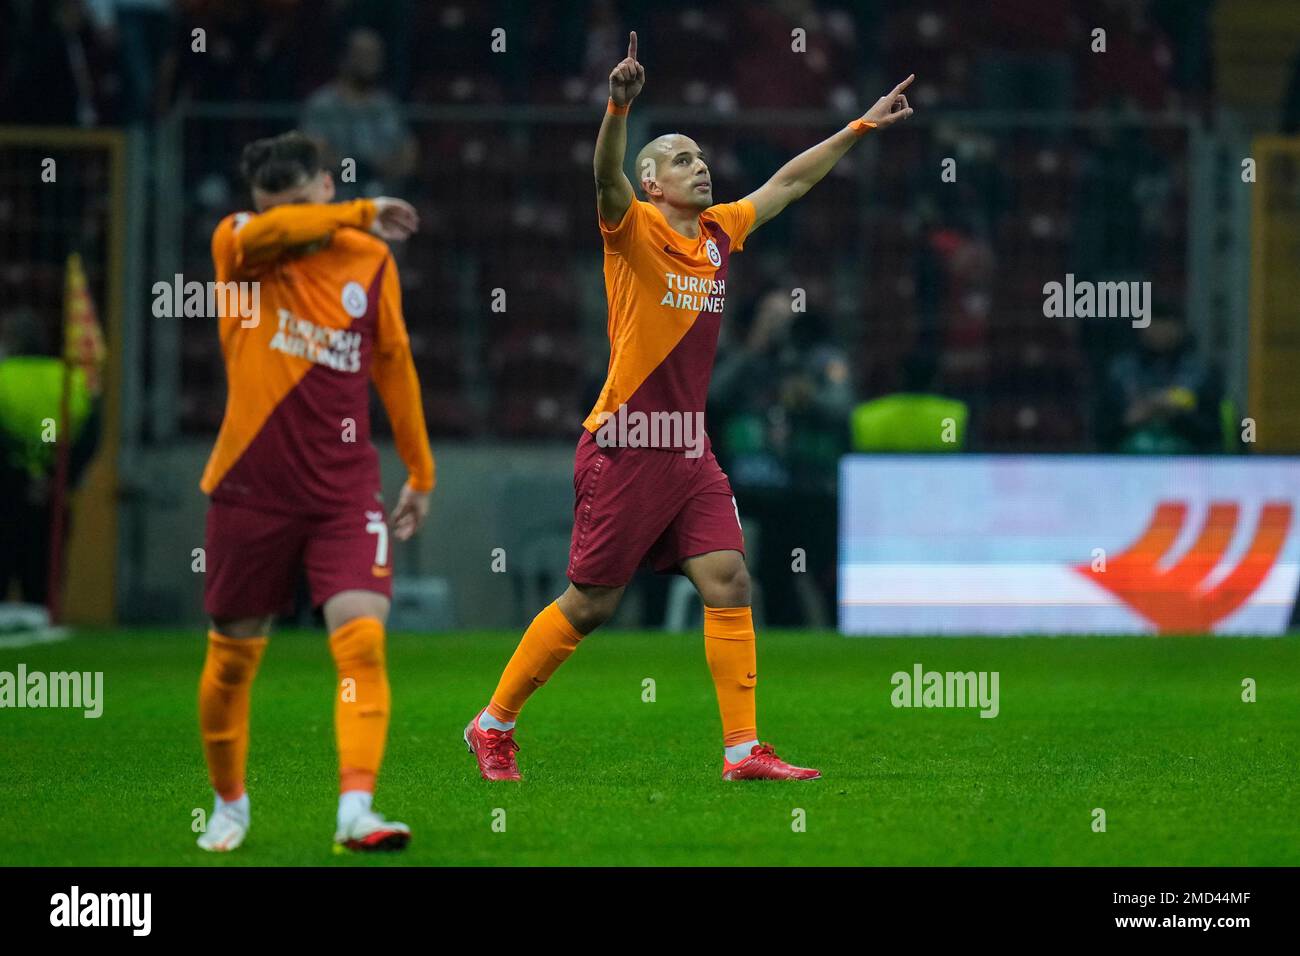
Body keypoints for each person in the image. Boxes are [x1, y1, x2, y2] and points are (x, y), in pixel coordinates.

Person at [464, 32, 914, 782]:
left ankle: (742, 750)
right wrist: (620, 104)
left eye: (701, 157)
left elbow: (791, 183)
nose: (699, 167)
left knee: (730, 580)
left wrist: (859, 126)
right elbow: (603, 172)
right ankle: (493, 722)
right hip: (627, 438)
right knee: (592, 603)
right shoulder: (629, 227)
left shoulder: (718, 233)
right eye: (681, 159)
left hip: (687, 448)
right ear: (652, 182)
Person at [196, 131, 434, 852]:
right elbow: (276, 228)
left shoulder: (369, 258)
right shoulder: (240, 242)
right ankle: (230, 804)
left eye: (305, 201)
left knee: (361, 644)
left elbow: (393, 363)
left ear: (326, 186)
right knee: (233, 656)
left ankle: (356, 810)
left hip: (342, 490)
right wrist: (358, 211)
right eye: (277, 207)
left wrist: (420, 471)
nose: (291, 219)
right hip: (249, 488)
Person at [301, 28, 416, 200]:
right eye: (363, 55)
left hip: (384, 200)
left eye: (375, 55)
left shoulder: (387, 105)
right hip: (338, 201)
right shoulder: (323, 104)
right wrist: (358, 169)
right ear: (344, 58)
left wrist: (374, 168)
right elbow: (318, 156)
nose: (371, 61)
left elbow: (408, 157)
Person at [1095, 312, 1223, 454]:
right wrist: (1129, 420)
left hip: (1189, 464)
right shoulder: (1120, 372)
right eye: (1154, 323)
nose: (1160, 330)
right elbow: (1100, 431)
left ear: (1180, 329)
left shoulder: (1200, 374)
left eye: (1167, 323)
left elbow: (1216, 432)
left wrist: (1176, 415)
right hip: (1126, 463)